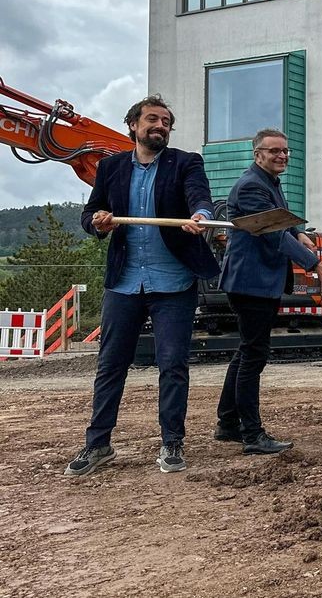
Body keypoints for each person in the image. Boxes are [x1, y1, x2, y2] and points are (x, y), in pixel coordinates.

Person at [64, 95, 220, 477]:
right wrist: (96, 221)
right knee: (110, 365)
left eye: (166, 121)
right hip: (125, 281)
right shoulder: (111, 167)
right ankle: (98, 444)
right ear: (133, 125)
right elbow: (90, 212)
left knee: (173, 364)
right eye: (152, 119)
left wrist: (200, 215)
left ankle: (172, 442)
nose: (160, 126)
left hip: (173, 282)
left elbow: (201, 198)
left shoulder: (186, 162)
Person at [216, 129, 322, 453]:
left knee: (247, 350)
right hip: (250, 282)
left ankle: (228, 423)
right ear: (258, 155)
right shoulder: (252, 186)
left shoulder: (268, 182)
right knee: (254, 355)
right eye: (274, 151)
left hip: (256, 282)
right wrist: (316, 265)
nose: (282, 156)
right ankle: (252, 434)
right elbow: (272, 233)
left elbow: (279, 218)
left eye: (285, 151)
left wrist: (298, 233)